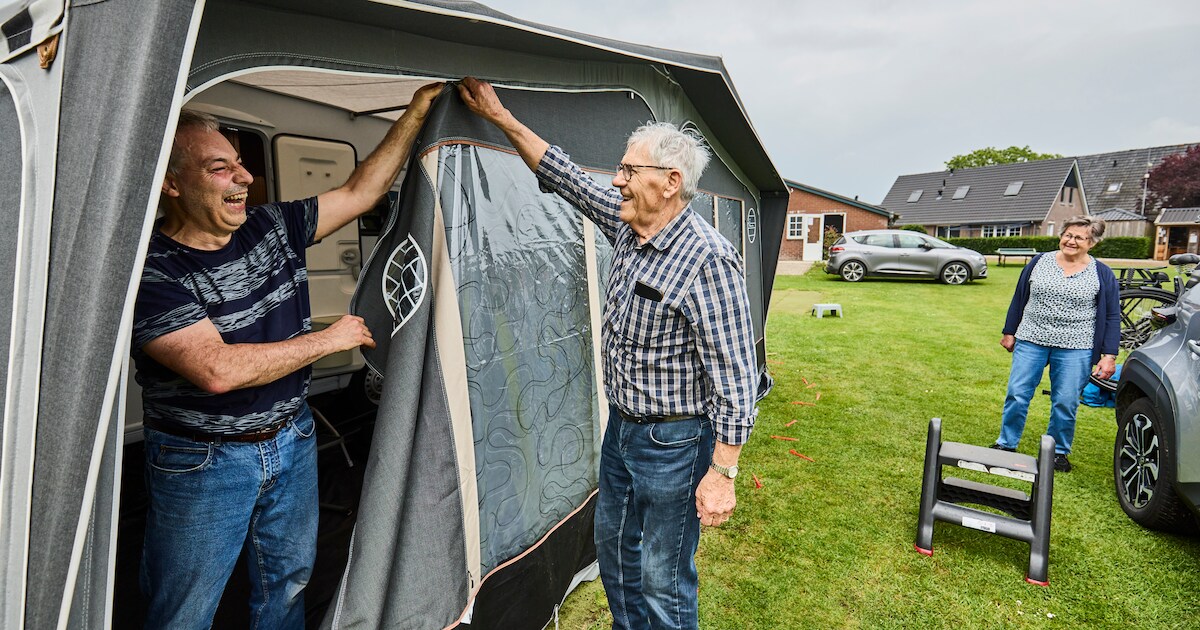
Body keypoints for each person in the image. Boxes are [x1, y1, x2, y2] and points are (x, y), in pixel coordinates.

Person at [132, 82, 442, 628]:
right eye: (220, 168)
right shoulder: (152, 269)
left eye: (240, 164)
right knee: (184, 609)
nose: (245, 177)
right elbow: (216, 369)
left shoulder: (270, 226)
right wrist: (328, 339)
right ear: (170, 183)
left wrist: (416, 111)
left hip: (290, 437)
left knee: (290, 583)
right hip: (204, 459)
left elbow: (362, 191)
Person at [457, 77, 764, 629]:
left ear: (670, 183)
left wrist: (723, 472)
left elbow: (737, 377)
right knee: (614, 550)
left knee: (662, 573)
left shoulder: (706, 260)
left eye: (629, 171)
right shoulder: (630, 227)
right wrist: (501, 118)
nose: (617, 180)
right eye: (621, 170)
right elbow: (565, 176)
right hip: (622, 427)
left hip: (675, 439)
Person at [991, 216, 1120, 472]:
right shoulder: (1039, 262)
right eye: (1068, 235)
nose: (1071, 241)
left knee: (1066, 400)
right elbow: (1020, 297)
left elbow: (1111, 315)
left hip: (1076, 344)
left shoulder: (1101, 273)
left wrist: (1109, 355)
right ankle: (1006, 444)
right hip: (1031, 338)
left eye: (1079, 238)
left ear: (1091, 244)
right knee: (1017, 393)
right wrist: (1010, 331)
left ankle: (1058, 451)